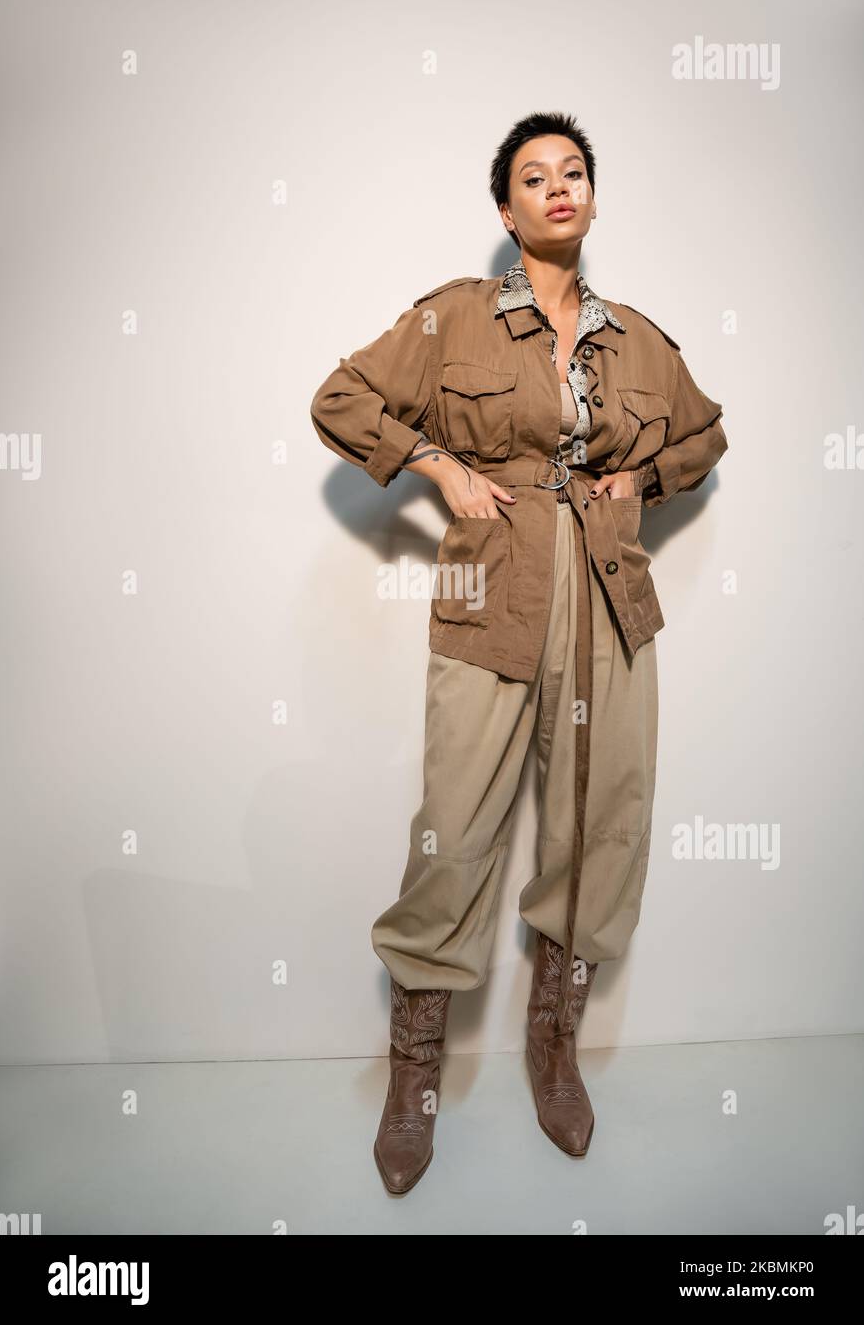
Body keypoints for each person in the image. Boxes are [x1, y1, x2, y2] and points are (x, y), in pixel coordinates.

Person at [310, 110, 729, 1195]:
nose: (557, 188)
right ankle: (415, 1071)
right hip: (488, 586)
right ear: (504, 208)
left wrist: (642, 479)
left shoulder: (634, 337)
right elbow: (339, 398)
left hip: (606, 591)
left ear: (589, 197)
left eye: (573, 172)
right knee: (455, 827)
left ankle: (554, 1045)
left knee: (603, 822)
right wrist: (436, 467)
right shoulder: (451, 316)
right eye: (533, 177)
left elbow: (704, 430)